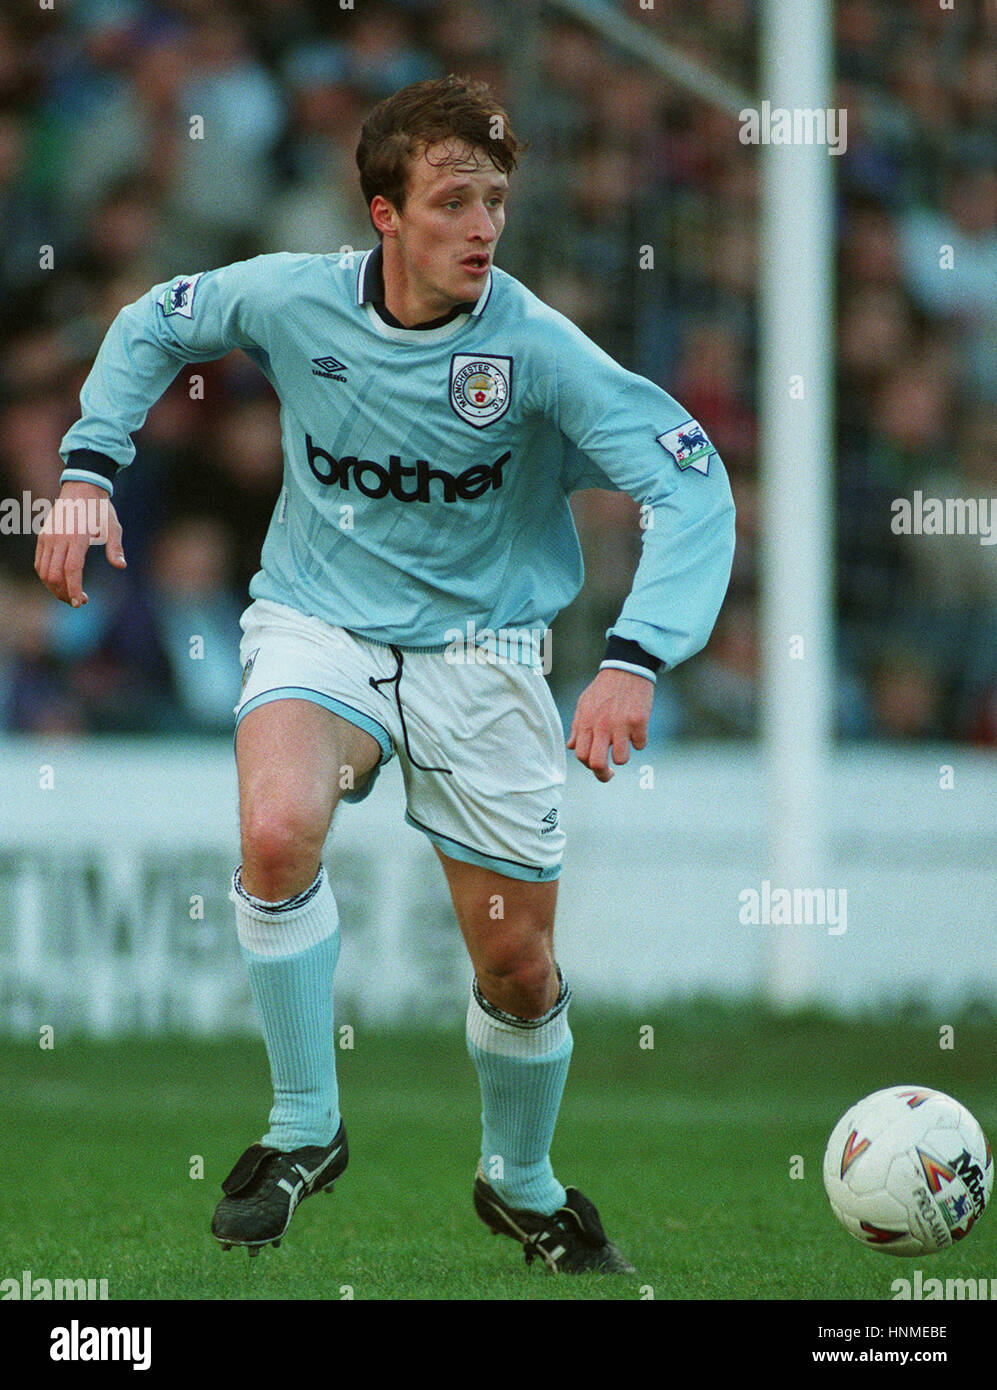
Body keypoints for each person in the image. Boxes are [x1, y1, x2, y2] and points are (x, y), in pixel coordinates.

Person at [35, 76, 735, 1274]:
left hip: (489, 656)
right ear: (383, 213)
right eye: (453, 200)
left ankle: (518, 1182)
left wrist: (635, 657)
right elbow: (156, 318)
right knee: (274, 831)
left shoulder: (535, 350)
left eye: (495, 203)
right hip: (321, 626)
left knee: (516, 969)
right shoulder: (294, 300)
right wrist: (91, 463)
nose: (481, 228)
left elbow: (690, 478)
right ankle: (305, 1125)